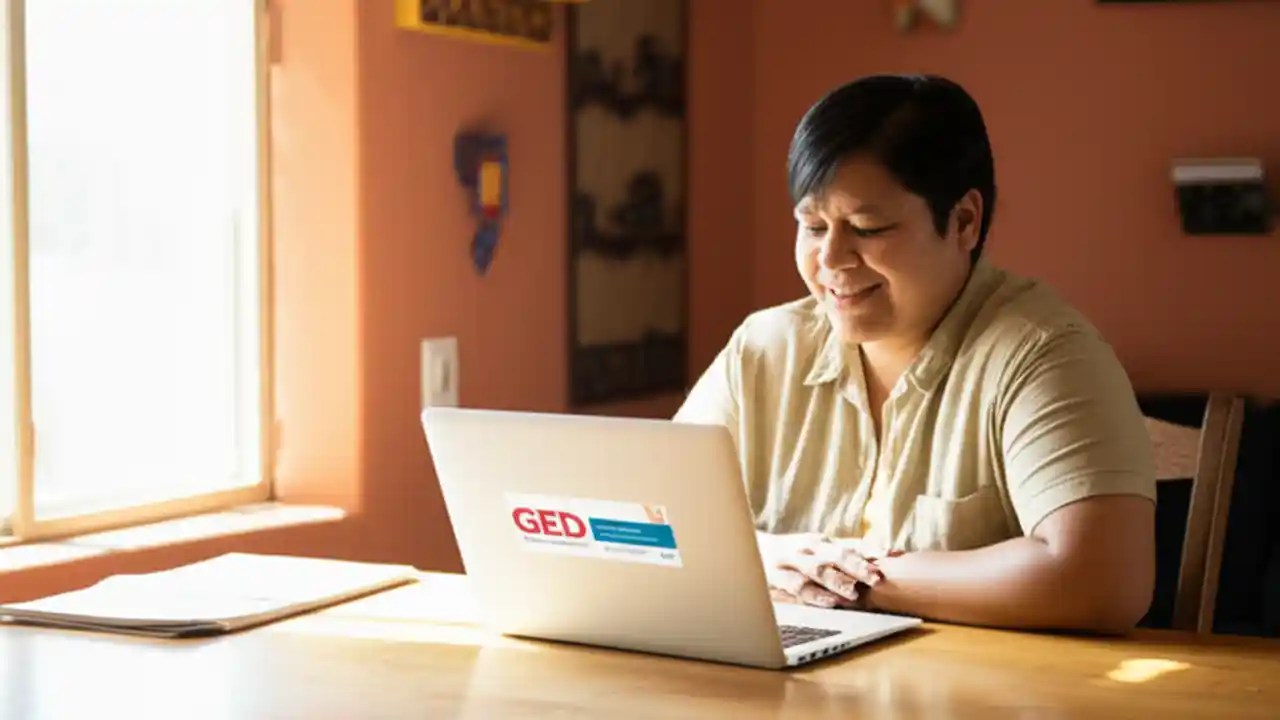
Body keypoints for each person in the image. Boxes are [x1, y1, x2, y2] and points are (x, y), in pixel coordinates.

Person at [675, 74, 1156, 633]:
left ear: (964, 221)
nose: (831, 259)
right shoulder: (763, 349)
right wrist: (760, 558)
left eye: (867, 228)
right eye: (812, 226)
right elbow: (653, 521)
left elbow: (1100, 579)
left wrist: (850, 580)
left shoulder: (1044, 355)